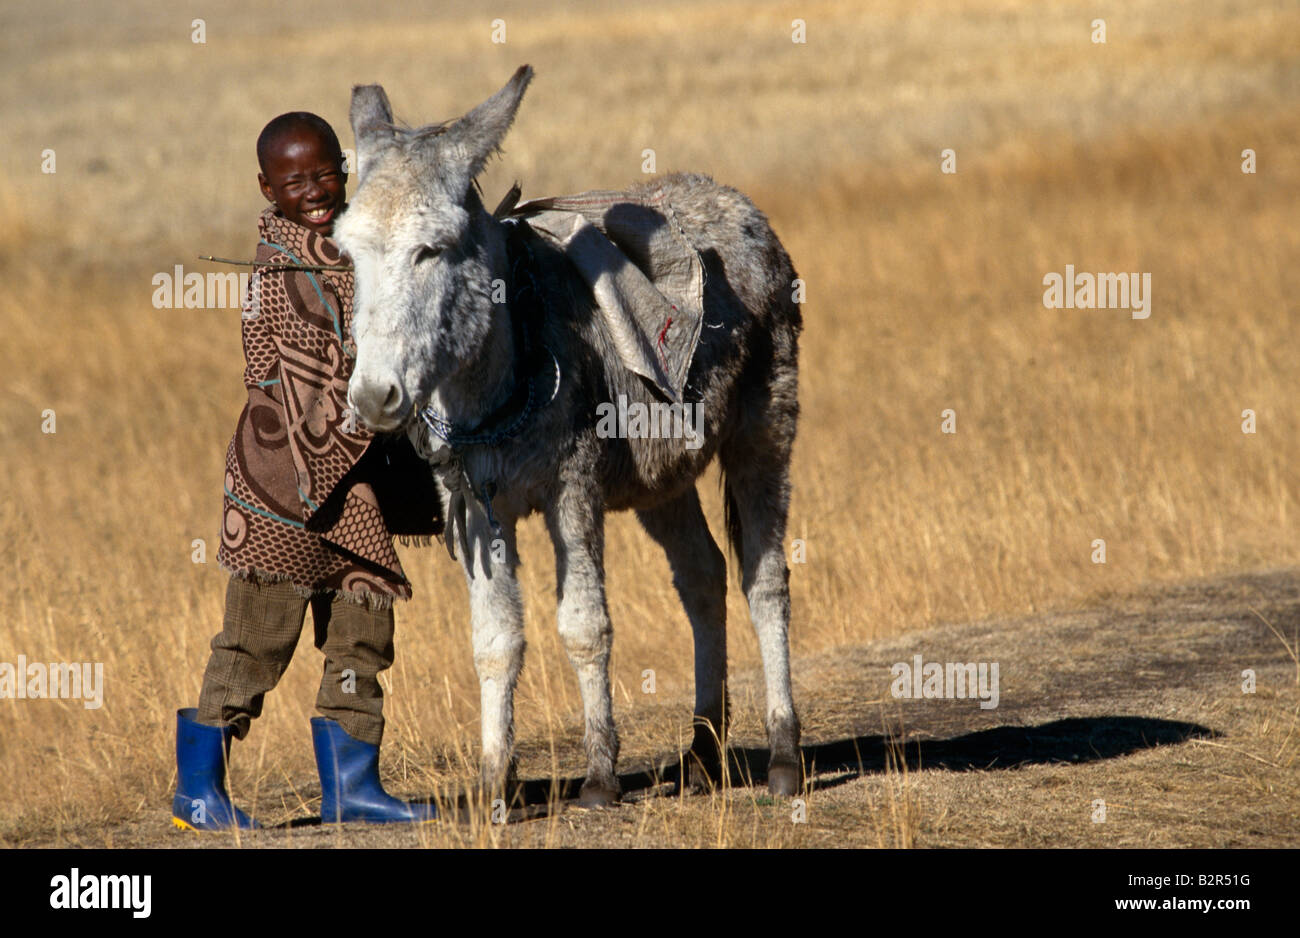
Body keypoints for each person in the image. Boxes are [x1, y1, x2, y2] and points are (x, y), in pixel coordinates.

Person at [172, 112, 442, 831]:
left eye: (326, 172)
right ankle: (198, 791)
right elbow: (316, 390)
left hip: (351, 487)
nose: (316, 189)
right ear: (267, 187)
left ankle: (353, 788)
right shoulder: (279, 273)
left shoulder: (354, 243)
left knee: (362, 635)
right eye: (296, 180)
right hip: (284, 491)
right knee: (254, 645)